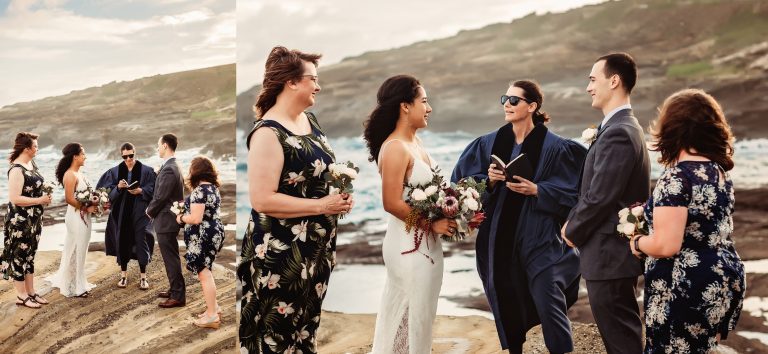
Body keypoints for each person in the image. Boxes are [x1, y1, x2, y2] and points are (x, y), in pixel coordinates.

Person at [452, 80, 586, 354]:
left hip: (540, 239)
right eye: (505, 99)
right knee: (506, 300)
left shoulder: (558, 148)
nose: (507, 105)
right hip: (497, 239)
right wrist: (487, 181)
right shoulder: (487, 143)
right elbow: (459, 185)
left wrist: (538, 189)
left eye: (514, 100)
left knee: (549, 300)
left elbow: (580, 191)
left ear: (532, 106)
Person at [238, 46, 353, 353]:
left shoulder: (311, 121)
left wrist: (337, 197)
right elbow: (262, 199)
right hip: (281, 254)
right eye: (312, 78)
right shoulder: (267, 133)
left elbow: (316, 177)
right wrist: (321, 206)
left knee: (306, 331)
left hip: (316, 250)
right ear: (291, 82)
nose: (318, 86)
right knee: (277, 337)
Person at [629, 89, 745, 352]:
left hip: (682, 286)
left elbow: (666, 245)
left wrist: (637, 242)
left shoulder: (677, 178)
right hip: (722, 278)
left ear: (672, 128)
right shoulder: (719, 173)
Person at [562, 52, 650, 354]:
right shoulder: (620, 128)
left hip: (610, 255)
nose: (588, 87)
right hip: (611, 255)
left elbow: (600, 196)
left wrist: (572, 228)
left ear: (614, 81)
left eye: (592, 79)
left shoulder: (620, 133)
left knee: (622, 341)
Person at [365, 75, 457, 354]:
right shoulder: (394, 147)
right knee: (410, 314)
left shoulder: (415, 144)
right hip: (407, 247)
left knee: (421, 318)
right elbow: (391, 202)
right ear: (405, 106)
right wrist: (433, 223)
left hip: (427, 245)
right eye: (424, 101)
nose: (429, 108)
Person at [1, 132, 52, 308]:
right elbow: (15, 198)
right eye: (35, 146)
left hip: (34, 220)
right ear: (26, 148)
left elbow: (32, 188)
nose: (37, 148)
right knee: (18, 257)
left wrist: (44, 195)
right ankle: (21, 296)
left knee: (30, 256)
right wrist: (40, 200)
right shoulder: (16, 169)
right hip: (19, 221)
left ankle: (31, 292)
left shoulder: (31, 164)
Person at [96, 142, 156, 290]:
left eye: (131, 155)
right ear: (121, 156)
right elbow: (103, 191)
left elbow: (154, 188)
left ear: (135, 153)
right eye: (125, 156)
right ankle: (123, 276)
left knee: (141, 241)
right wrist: (118, 188)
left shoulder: (147, 171)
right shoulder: (114, 172)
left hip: (140, 213)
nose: (128, 159)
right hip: (121, 213)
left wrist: (141, 191)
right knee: (122, 241)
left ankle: (143, 277)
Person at [176, 156, 225, 329]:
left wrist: (180, 217)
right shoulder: (213, 189)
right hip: (214, 232)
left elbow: (196, 219)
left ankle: (212, 315)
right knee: (207, 270)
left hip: (203, 235)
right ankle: (214, 308)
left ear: (195, 171)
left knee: (204, 273)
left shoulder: (199, 191)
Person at [47, 143, 98, 297]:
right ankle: (75, 287)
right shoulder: (70, 174)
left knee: (81, 248)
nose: (85, 156)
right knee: (77, 248)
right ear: (75, 156)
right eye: (83, 154)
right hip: (76, 217)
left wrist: (96, 202)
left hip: (83, 216)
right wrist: (86, 208)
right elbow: (69, 199)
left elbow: (85, 194)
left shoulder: (79, 173)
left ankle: (78, 281)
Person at [147, 133, 186, 308]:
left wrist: (149, 211)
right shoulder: (171, 166)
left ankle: (178, 296)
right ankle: (174, 289)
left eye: (158, 145)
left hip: (166, 219)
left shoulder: (170, 168)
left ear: (165, 146)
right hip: (169, 218)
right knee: (172, 256)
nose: (157, 148)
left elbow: (161, 196)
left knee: (170, 258)